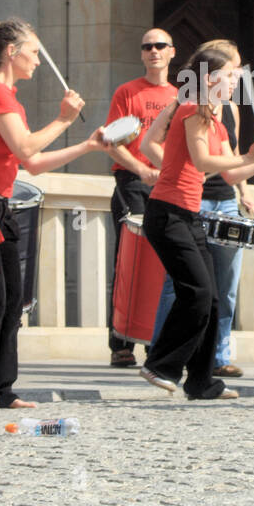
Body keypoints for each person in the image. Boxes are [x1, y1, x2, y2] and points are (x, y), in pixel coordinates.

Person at [0, 15, 106, 408]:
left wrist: (86, 146)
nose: (38, 60)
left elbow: (31, 164)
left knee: (12, 300)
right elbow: (27, 149)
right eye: (33, 52)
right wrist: (64, 119)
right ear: (11, 53)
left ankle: (0, 388)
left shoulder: (8, 98)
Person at [137, 41, 254, 400]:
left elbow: (232, 176)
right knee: (196, 292)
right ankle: (160, 363)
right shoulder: (191, 108)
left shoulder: (216, 119)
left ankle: (202, 382)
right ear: (212, 76)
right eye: (231, 74)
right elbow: (203, 162)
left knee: (213, 299)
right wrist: (245, 156)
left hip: (189, 215)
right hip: (168, 214)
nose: (236, 80)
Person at [103, 28, 178, 368]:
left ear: (171, 52)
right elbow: (112, 141)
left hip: (166, 184)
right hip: (132, 180)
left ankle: (155, 339)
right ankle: (120, 343)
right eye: (147, 46)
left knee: (163, 262)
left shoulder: (179, 97)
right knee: (129, 259)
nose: (153, 51)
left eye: (160, 45)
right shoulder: (127, 92)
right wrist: (141, 169)